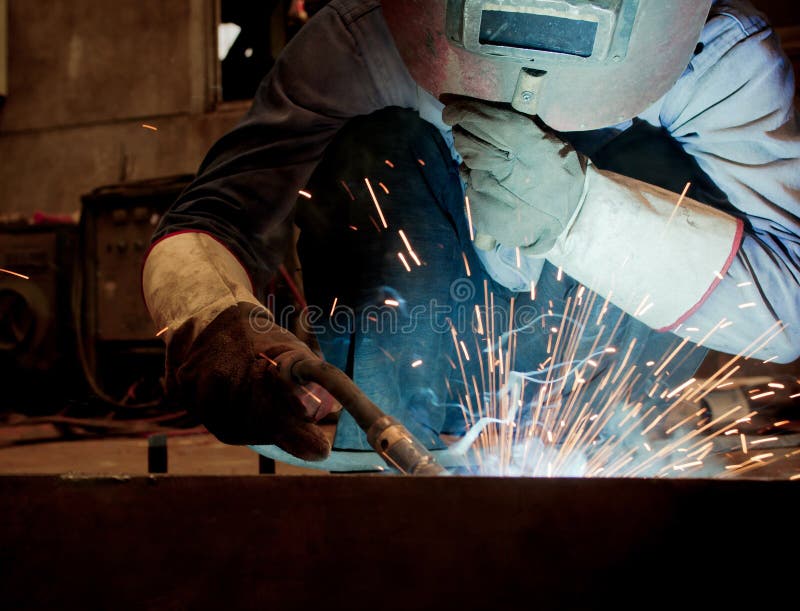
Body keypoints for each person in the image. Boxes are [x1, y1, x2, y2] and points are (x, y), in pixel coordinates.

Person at [142, 0, 800, 464]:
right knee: (369, 149)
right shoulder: (367, 37)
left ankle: (605, 457)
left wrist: (584, 215)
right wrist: (209, 315)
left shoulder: (716, 57)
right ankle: (394, 462)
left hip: (604, 398)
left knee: (668, 168)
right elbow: (215, 214)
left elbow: (791, 305)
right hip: (420, 359)